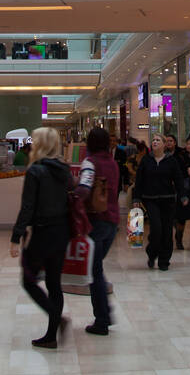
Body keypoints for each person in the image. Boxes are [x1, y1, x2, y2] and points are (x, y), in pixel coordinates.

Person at [10, 127, 73, 349]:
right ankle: (51, 334)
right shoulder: (65, 170)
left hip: (42, 232)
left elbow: (27, 207)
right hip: (62, 231)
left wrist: (16, 236)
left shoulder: (35, 171)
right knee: (54, 282)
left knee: (29, 280)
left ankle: (57, 319)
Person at [76, 127, 121, 335]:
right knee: (97, 269)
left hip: (95, 222)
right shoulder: (112, 163)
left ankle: (102, 319)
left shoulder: (90, 163)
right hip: (112, 222)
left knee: (95, 272)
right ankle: (104, 315)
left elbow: (84, 189)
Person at [134, 136, 187, 271]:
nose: (155, 142)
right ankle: (152, 253)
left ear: (164, 145)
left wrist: (183, 195)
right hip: (150, 199)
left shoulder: (171, 161)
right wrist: (136, 198)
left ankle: (164, 260)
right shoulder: (146, 160)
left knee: (167, 231)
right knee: (156, 229)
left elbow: (178, 179)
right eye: (154, 140)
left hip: (168, 199)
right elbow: (139, 180)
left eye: (158, 140)